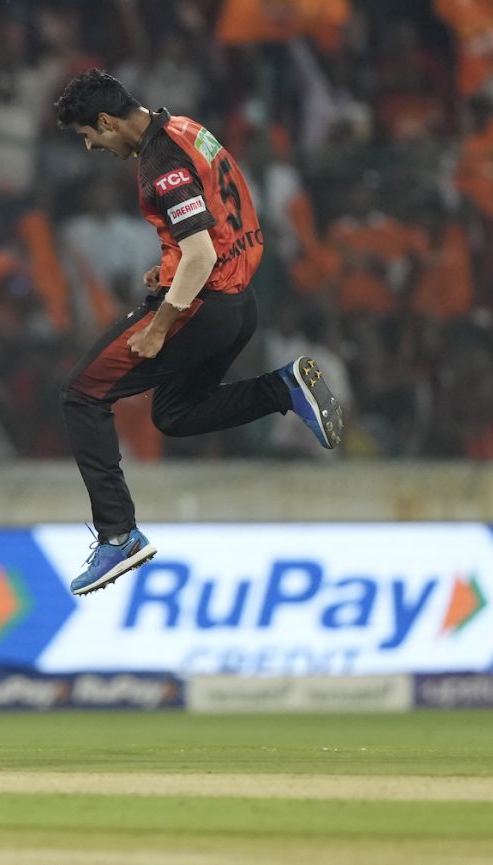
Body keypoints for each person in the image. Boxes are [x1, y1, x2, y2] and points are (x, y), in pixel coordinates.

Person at [52, 69, 343, 597]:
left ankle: (117, 535)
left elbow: (202, 252)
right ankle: (284, 388)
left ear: (105, 121)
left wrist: (161, 323)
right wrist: (169, 267)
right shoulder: (187, 128)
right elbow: (214, 222)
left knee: (82, 394)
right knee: (173, 413)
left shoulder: (159, 162)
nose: (92, 147)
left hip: (200, 308)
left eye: (88, 136)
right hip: (239, 303)